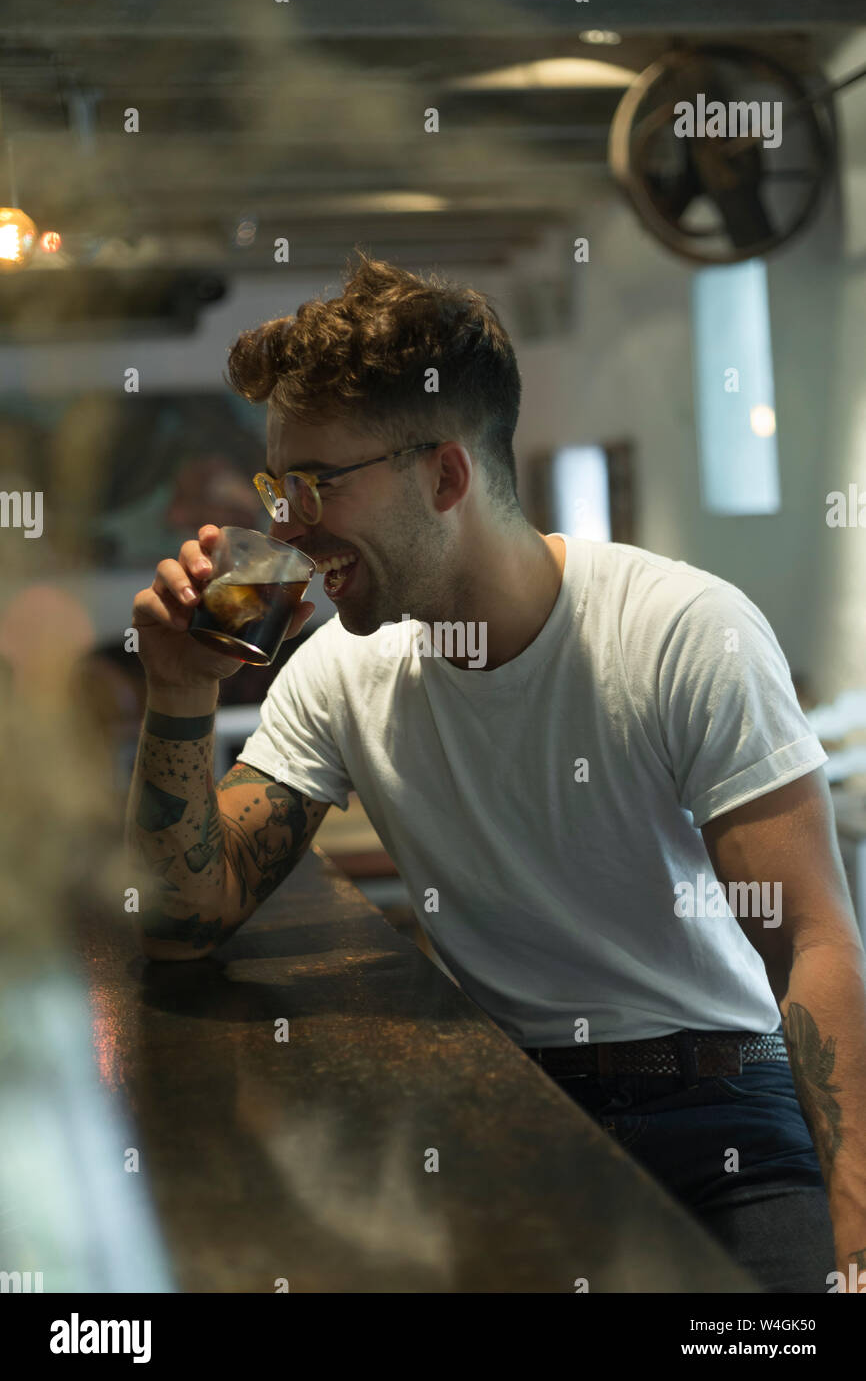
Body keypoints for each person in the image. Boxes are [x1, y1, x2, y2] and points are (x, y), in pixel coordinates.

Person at [127, 253, 866, 1294]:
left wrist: (855, 1237)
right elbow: (180, 919)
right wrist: (176, 688)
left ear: (444, 475)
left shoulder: (679, 631)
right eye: (275, 487)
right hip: (502, 1101)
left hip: (718, 1107)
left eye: (315, 485)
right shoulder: (340, 668)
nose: (285, 525)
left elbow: (815, 941)